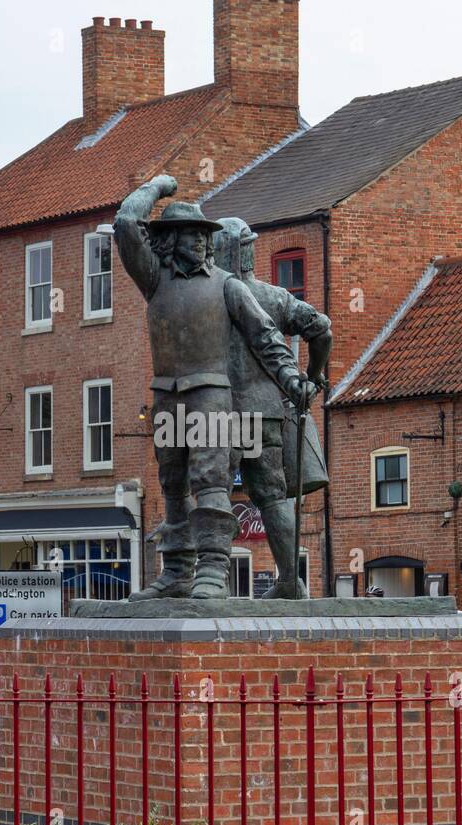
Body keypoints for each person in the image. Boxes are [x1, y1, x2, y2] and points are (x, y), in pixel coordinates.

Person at [114, 176, 315, 599]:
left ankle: (212, 569)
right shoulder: (155, 281)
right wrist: (157, 186)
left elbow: (266, 338)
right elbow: (127, 223)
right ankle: (177, 571)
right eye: (193, 235)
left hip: (212, 397)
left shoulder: (228, 284)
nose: (203, 243)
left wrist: (292, 378)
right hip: (166, 396)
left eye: (206, 236)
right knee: (171, 484)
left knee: (211, 481)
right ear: (169, 240)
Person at [215, 218, 333, 598]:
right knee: (272, 497)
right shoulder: (272, 297)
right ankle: (288, 579)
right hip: (266, 414)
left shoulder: (207, 300)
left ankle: (208, 581)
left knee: (209, 492)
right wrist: (312, 378)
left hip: (216, 414)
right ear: (249, 252)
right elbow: (322, 328)